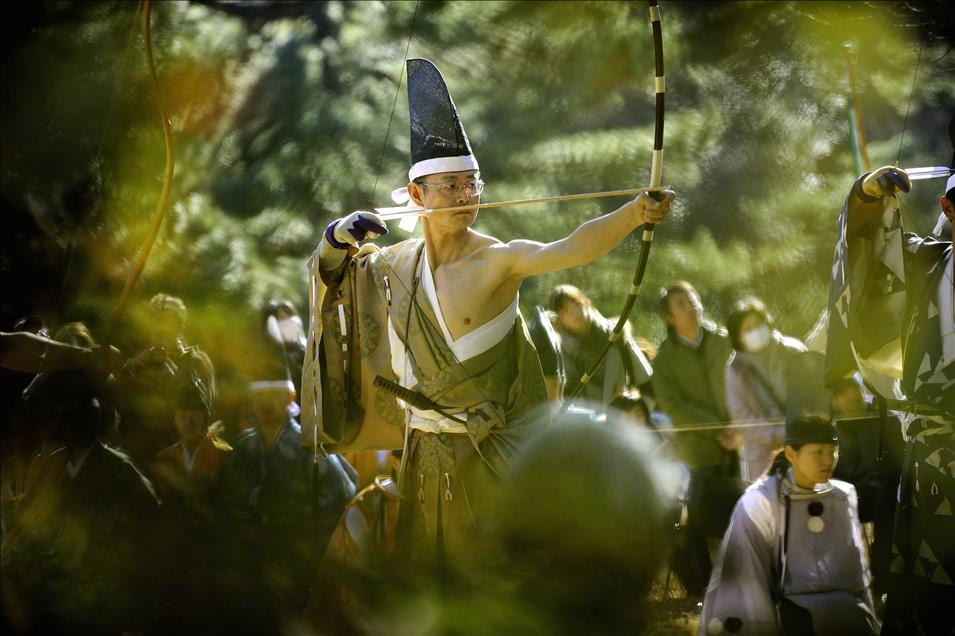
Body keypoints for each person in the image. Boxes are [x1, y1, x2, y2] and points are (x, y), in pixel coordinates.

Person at [302, 58, 674, 562]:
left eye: (471, 183)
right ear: (417, 194)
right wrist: (335, 240)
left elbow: (569, 248)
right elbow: (331, 285)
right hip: (420, 455)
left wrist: (634, 213)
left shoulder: (496, 259)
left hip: (488, 457)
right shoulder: (393, 264)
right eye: (450, 185)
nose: (465, 197)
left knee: (493, 575)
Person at [825, 158, 954, 635]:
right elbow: (861, 250)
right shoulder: (922, 265)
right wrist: (866, 191)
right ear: (947, 208)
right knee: (930, 601)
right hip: (931, 464)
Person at [699, 415, 879, 635]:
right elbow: (747, 577)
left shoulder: (842, 495)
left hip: (840, 607)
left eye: (833, 451)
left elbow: (854, 571)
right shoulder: (760, 500)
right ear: (792, 454)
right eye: (818, 452)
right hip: (784, 609)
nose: (828, 460)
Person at [218, 373, 356, 631]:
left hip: (297, 564)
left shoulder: (311, 446)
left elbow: (343, 495)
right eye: (259, 395)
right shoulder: (241, 447)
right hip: (250, 567)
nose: (266, 402)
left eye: (274, 394)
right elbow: (227, 506)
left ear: (291, 397)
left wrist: (304, 531)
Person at [651, 280, 742, 591]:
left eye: (691, 299)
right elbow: (674, 406)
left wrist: (738, 425)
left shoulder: (726, 341)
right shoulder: (663, 361)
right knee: (699, 521)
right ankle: (704, 586)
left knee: (748, 514)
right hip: (699, 452)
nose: (690, 306)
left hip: (742, 443)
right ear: (668, 318)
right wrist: (718, 428)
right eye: (680, 304)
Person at [117, 293, 216, 465]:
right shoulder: (140, 360)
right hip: (137, 453)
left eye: (166, 325)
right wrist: (126, 376)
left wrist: (178, 384)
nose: (159, 331)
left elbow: (207, 414)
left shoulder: (195, 361)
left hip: (178, 456)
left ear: (179, 328)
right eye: (154, 323)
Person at [725, 297, 807, 481]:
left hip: (805, 445)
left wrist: (799, 430)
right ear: (738, 336)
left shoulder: (793, 350)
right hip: (762, 459)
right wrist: (778, 436)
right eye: (748, 329)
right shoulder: (736, 367)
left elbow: (812, 394)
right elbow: (741, 415)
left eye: (758, 324)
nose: (756, 331)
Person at [550, 284, 653, 410]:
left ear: (586, 303)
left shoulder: (617, 335)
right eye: (566, 310)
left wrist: (638, 405)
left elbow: (648, 384)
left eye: (576, 304)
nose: (575, 312)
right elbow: (564, 401)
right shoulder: (559, 354)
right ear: (560, 320)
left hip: (627, 419)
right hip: (589, 424)